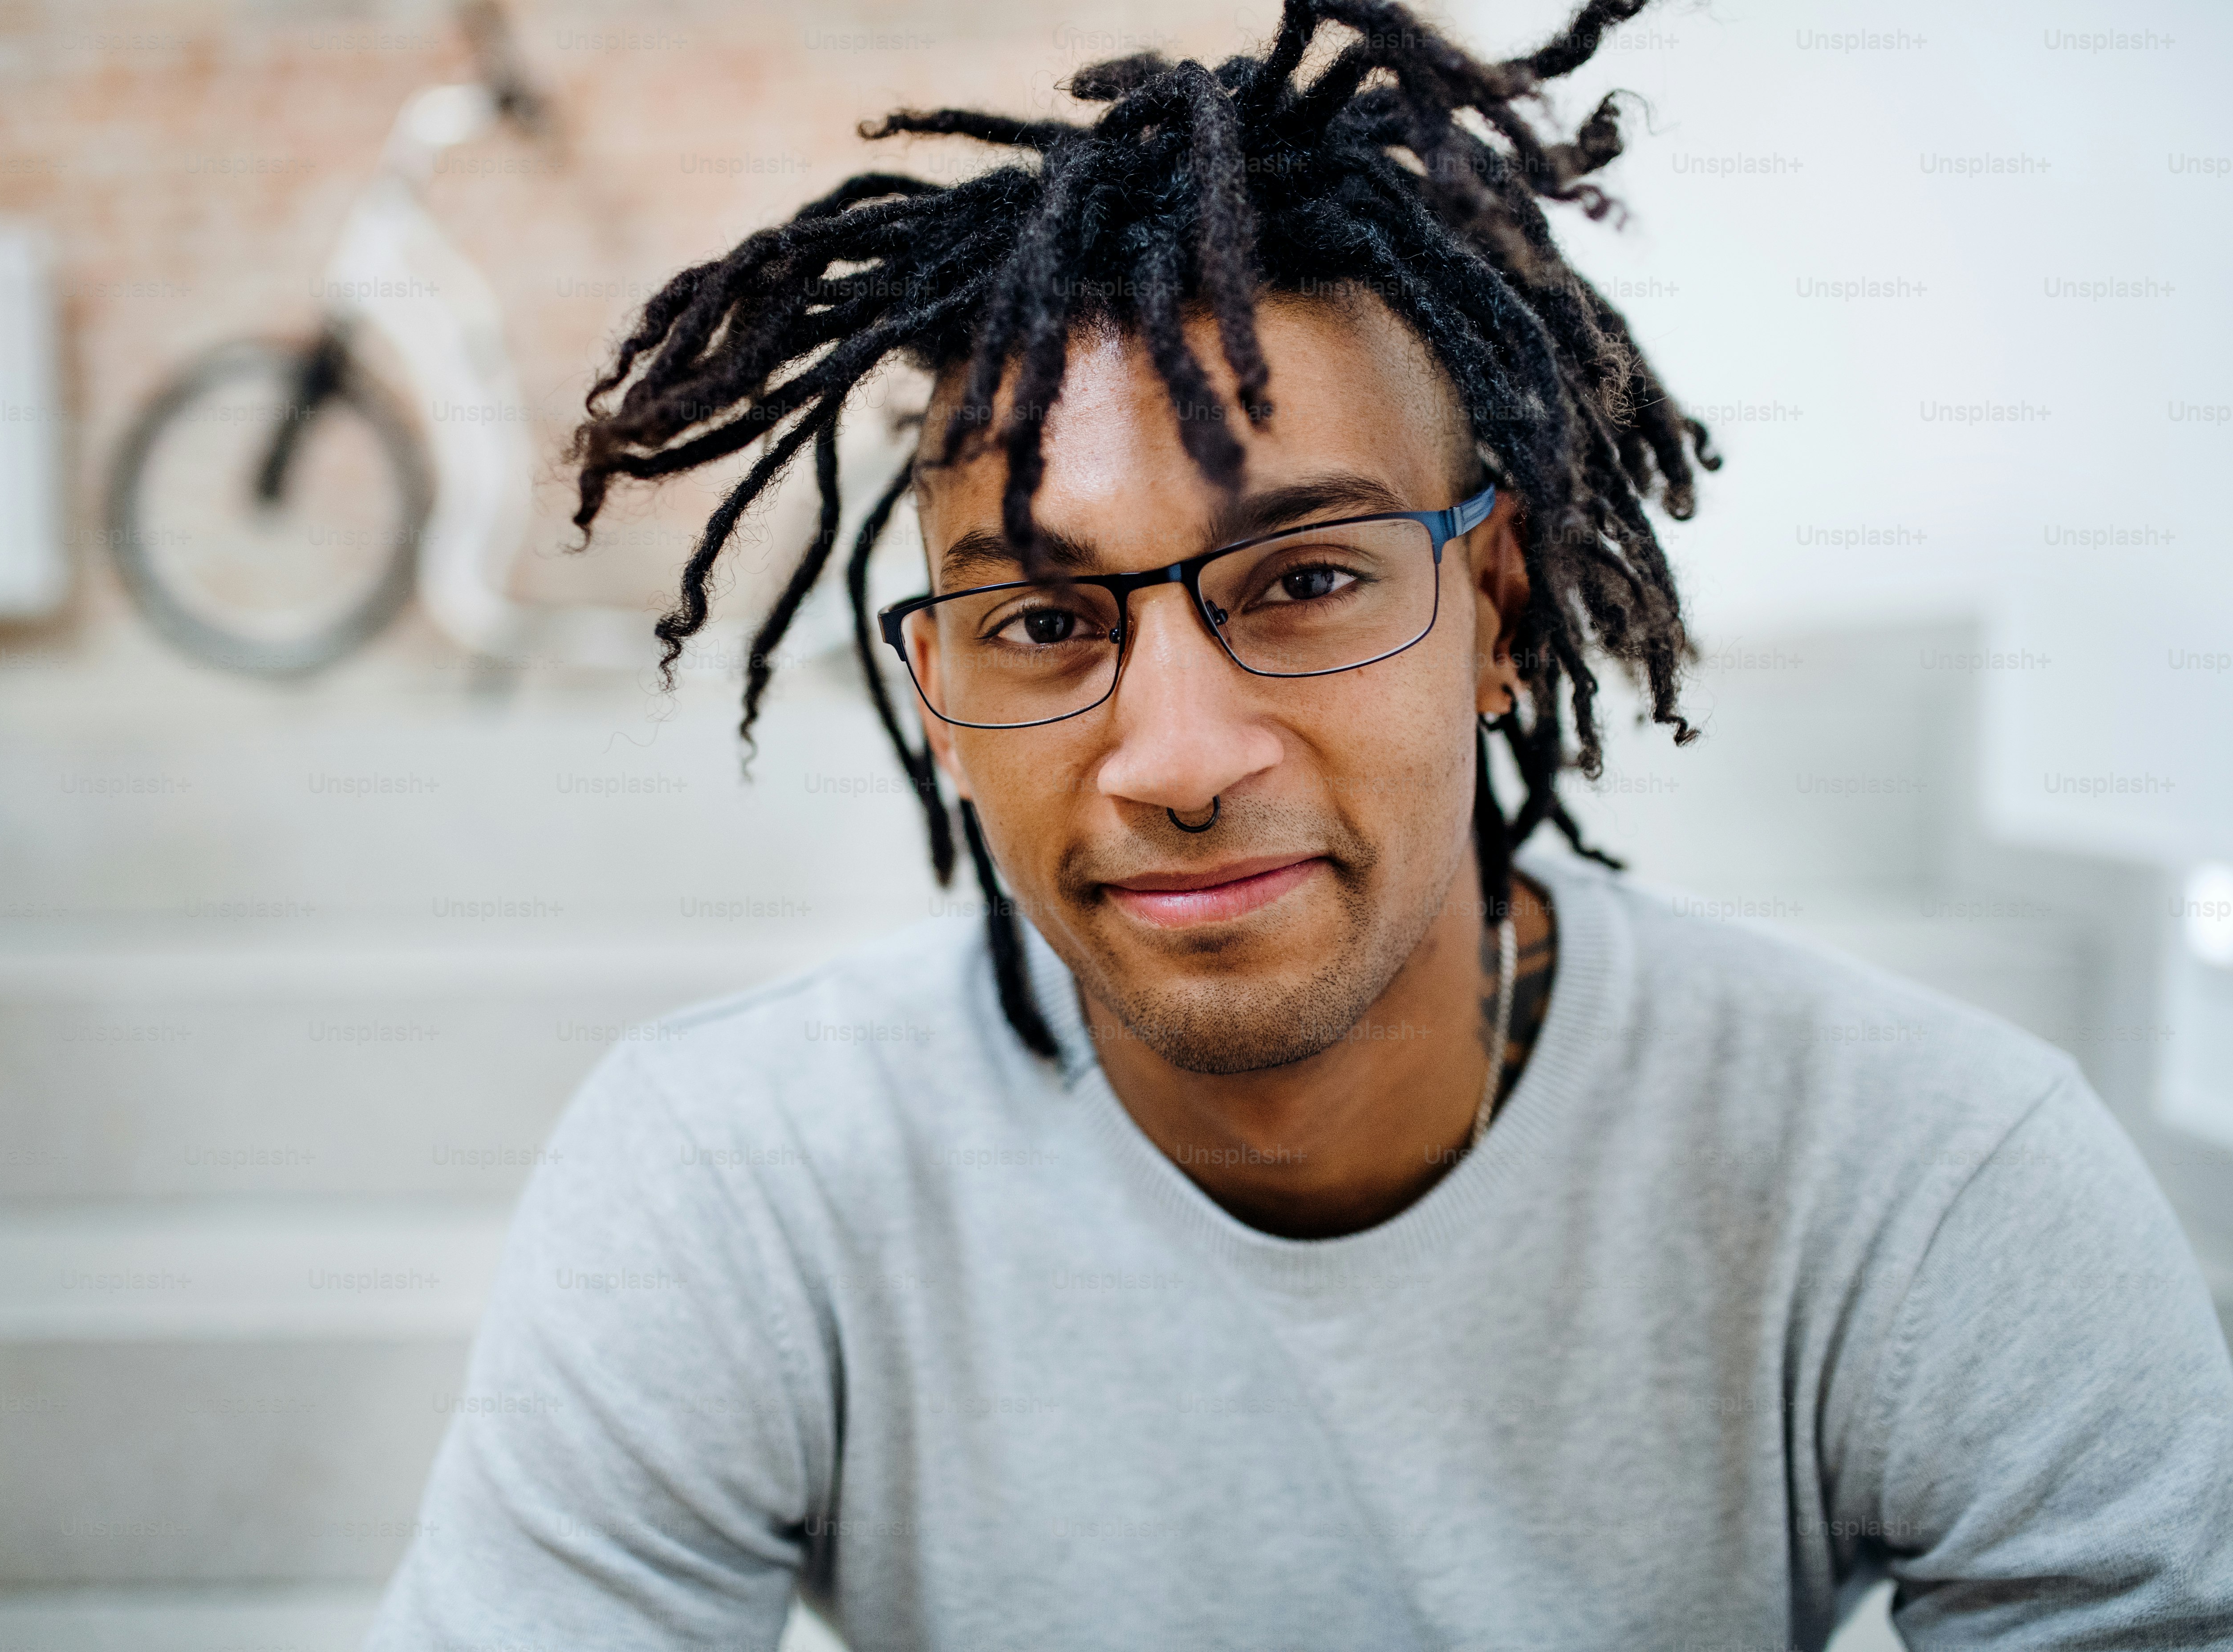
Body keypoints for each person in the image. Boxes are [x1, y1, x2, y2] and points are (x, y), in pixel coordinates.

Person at [365, 1, 2233, 1646]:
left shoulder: (1927, 1178)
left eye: (1305, 579)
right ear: (937, 697)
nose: (1177, 755)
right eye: (1041, 620)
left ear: (1494, 608)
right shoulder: (736, 1184)